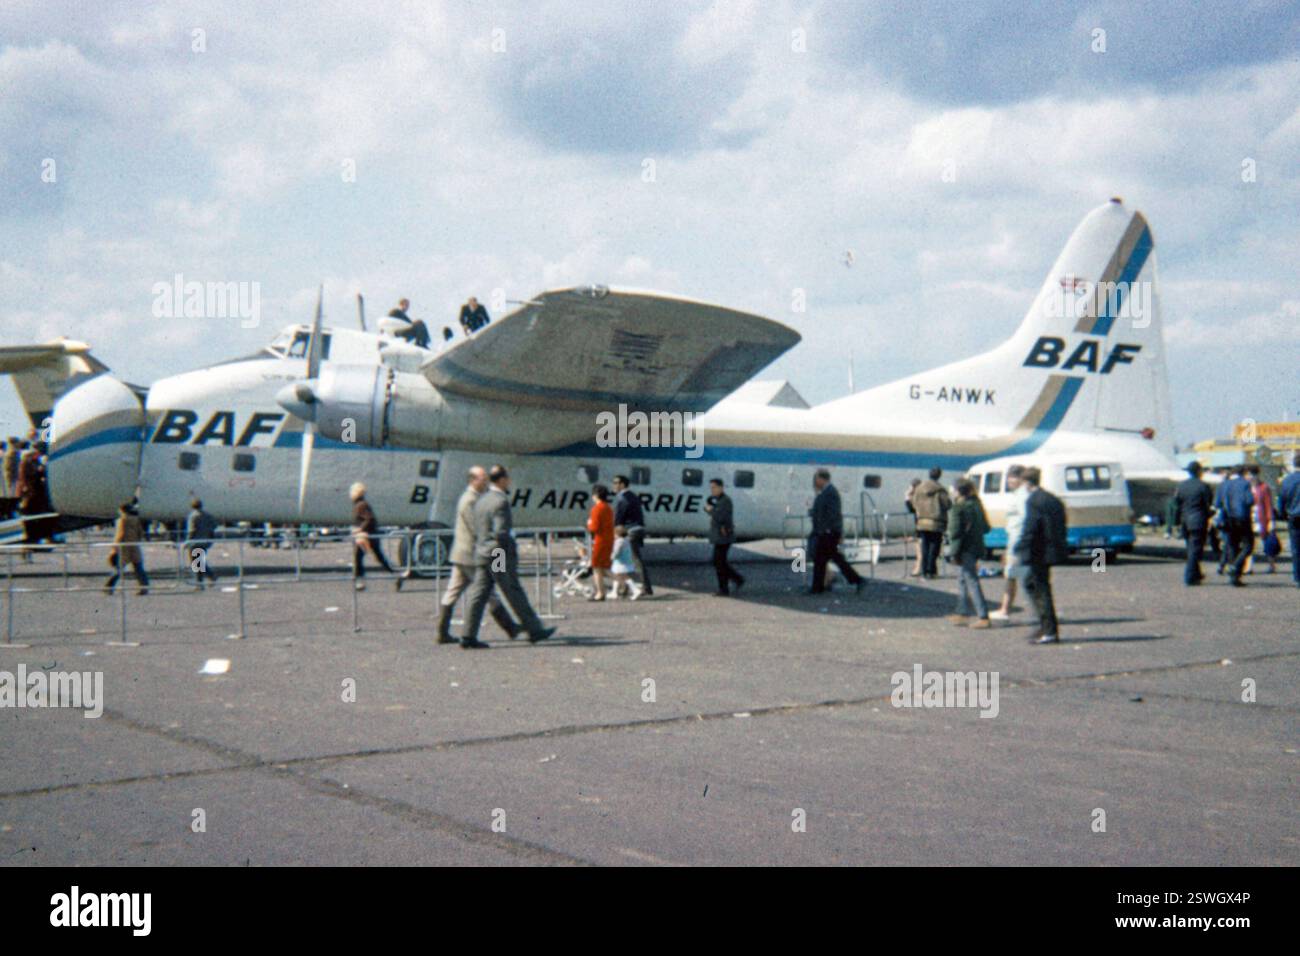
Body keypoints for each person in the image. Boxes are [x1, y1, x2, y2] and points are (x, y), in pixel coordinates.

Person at [461, 465, 556, 648]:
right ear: (503, 480)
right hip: (497, 552)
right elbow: (501, 532)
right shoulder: (500, 501)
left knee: (479, 594)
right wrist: (509, 552)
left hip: (482, 551)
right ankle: (534, 629)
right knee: (512, 590)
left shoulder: (481, 500)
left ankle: (468, 634)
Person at [436, 466, 520, 645]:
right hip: (470, 554)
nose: (486, 481)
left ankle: (442, 632)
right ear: (472, 480)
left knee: (453, 592)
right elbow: (477, 529)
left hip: (461, 554)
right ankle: (510, 628)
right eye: (482, 478)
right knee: (487, 592)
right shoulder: (470, 500)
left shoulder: (470, 498)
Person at [1015, 467, 1068, 644]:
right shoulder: (1052, 499)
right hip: (1052, 549)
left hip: (1039, 551)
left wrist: (1020, 547)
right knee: (1031, 583)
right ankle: (1045, 625)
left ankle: (1049, 630)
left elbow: (1031, 527)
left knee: (1040, 588)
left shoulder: (1033, 501)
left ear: (1027, 483)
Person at [807, 468, 865, 594]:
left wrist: (827, 529)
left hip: (828, 533)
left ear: (821, 479)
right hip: (827, 532)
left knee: (824, 559)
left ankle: (818, 588)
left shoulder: (830, 493)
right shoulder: (826, 492)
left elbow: (833, 514)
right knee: (829, 559)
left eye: (816, 479)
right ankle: (855, 579)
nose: (815, 482)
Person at [945, 478, 992, 629]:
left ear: (958, 491)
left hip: (963, 548)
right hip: (976, 546)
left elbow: (955, 533)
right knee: (963, 579)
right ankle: (962, 612)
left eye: (952, 489)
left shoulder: (957, 508)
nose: (951, 492)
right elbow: (986, 528)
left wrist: (952, 552)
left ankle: (983, 616)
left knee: (970, 580)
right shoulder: (977, 504)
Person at [990, 464, 1028, 619]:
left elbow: (1025, 520)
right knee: (1012, 575)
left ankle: (1005, 609)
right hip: (1014, 539)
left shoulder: (1022, 496)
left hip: (1018, 541)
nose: (1008, 481)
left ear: (1019, 478)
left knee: (1013, 575)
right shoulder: (1017, 495)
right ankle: (1006, 608)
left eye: (1011, 477)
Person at [349, 482, 399, 590]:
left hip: (366, 536)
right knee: (378, 557)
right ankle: (396, 574)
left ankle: (360, 581)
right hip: (370, 535)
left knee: (358, 557)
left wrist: (359, 529)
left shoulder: (360, 505)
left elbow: (369, 519)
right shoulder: (363, 504)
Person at [1172, 462, 1213, 586]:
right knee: (1196, 549)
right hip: (1199, 520)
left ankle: (1196, 573)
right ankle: (1190, 576)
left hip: (1185, 520)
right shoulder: (1203, 486)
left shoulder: (1181, 486)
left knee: (1191, 548)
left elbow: (1176, 504)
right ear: (1199, 471)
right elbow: (1208, 503)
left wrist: (1176, 522)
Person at [612, 474, 652, 596]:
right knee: (628, 559)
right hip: (637, 528)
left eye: (616, 483)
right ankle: (624, 587)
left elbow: (619, 518)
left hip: (630, 531)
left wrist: (615, 531)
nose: (614, 485)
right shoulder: (632, 496)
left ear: (622, 484)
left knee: (633, 559)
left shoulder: (623, 498)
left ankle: (645, 587)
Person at [1214, 466, 1255, 587]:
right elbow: (1249, 500)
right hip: (1242, 519)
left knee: (1232, 546)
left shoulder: (1223, 484)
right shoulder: (1245, 484)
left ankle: (1234, 578)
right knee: (1248, 545)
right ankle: (1236, 566)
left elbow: (1217, 503)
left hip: (1227, 519)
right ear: (1243, 472)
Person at [704, 478, 744, 596]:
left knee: (718, 562)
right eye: (711, 488)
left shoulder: (725, 501)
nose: (712, 490)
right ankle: (734, 581)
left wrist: (710, 510)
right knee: (719, 562)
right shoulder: (720, 500)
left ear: (721, 488)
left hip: (723, 537)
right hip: (720, 537)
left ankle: (727, 586)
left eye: (714, 487)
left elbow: (721, 517)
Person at [104, 502, 149, 595]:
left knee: (119, 569)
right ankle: (144, 587)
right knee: (139, 568)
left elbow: (121, 534)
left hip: (123, 547)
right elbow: (140, 534)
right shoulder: (137, 520)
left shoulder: (122, 520)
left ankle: (109, 587)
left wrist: (115, 547)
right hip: (134, 546)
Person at [913, 467, 950, 578]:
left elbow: (914, 502)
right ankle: (931, 570)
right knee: (934, 547)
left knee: (925, 546)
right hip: (936, 522)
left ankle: (924, 570)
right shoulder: (940, 489)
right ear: (939, 475)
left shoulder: (919, 488)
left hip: (922, 521)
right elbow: (947, 504)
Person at [586, 484, 615, 601]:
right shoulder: (608, 508)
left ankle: (600, 593)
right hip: (609, 538)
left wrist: (589, 524)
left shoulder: (596, 509)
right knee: (603, 568)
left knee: (596, 567)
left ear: (596, 495)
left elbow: (594, 528)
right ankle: (623, 582)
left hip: (600, 540)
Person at [1247, 465, 1276, 574]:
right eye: (1250, 474)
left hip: (1261, 518)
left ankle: (1271, 564)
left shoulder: (1264, 487)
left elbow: (1268, 505)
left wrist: (1271, 520)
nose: (1251, 477)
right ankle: (1248, 566)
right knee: (1249, 543)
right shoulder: (1246, 487)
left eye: (1253, 474)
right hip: (1249, 517)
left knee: (1267, 542)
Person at [185, 498, 220, 588]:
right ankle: (203, 581)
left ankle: (206, 578)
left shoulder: (193, 516)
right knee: (200, 562)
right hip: (205, 541)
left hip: (195, 542)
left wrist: (187, 541)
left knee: (196, 563)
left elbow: (191, 530)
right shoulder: (207, 515)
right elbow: (215, 525)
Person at [1278, 452, 1300, 588]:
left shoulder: (1287, 480)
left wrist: (1282, 514)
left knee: (1296, 548)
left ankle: (1298, 577)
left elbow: (1282, 500)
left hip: (1293, 517)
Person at [609, 526, 643, 600]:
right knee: (617, 576)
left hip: (620, 562)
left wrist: (611, 557)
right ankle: (614, 592)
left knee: (623, 577)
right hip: (626, 561)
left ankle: (636, 590)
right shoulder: (626, 540)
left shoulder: (619, 541)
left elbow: (617, 551)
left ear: (617, 534)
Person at [904, 478, 923, 576]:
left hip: (920, 525)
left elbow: (911, 509)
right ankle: (920, 567)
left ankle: (918, 568)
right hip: (922, 525)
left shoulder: (918, 498)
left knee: (920, 549)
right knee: (921, 548)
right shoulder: (923, 496)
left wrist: (907, 496)